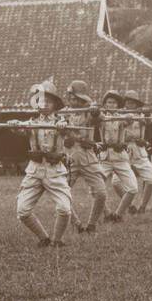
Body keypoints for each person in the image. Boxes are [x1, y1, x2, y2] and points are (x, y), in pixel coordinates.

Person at [10, 80, 74, 247]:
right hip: (35, 171)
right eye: (40, 101)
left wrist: (63, 126)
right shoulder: (31, 122)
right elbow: (19, 130)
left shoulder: (62, 121)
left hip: (55, 171)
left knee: (64, 209)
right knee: (22, 211)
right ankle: (44, 238)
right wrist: (15, 125)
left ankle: (57, 240)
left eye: (48, 101)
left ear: (55, 105)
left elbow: (67, 130)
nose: (44, 105)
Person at [61, 80, 105, 233]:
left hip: (88, 157)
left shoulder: (89, 111)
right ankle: (77, 224)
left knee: (101, 193)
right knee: (61, 194)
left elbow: (100, 119)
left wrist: (96, 112)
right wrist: (61, 126)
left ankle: (91, 224)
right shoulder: (64, 113)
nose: (74, 102)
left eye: (78, 99)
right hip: (69, 158)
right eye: (72, 98)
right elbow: (56, 127)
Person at [96, 88, 138, 224]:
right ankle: (107, 213)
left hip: (120, 157)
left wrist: (129, 118)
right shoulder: (101, 117)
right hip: (105, 158)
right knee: (96, 189)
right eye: (109, 102)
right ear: (105, 104)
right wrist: (95, 113)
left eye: (114, 103)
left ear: (118, 105)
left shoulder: (122, 117)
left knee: (132, 188)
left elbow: (129, 121)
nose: (111, 105)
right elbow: (93, 118)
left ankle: (118, 214)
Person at [124, 90, 152, 215]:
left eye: (132, 103)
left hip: (139, 149)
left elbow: (149, 119)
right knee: (117, 182)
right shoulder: (119, 114)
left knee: (150, 180)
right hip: (123, 149)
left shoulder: (141, 115)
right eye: (127, 102)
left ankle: (143, 206)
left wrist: (146, 113)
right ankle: (129, 205)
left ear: (137, 104)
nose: (129, 105)